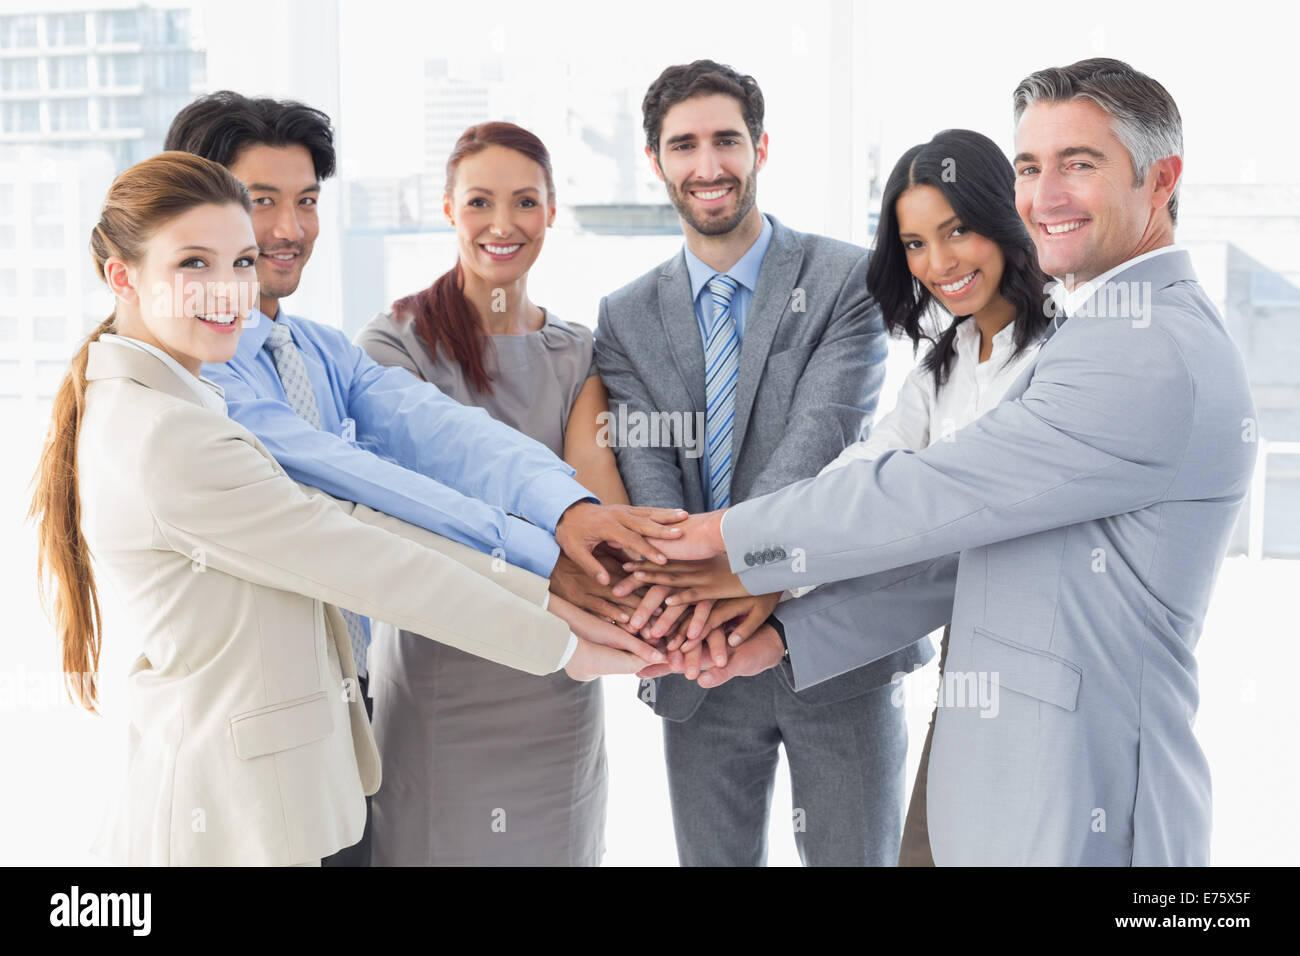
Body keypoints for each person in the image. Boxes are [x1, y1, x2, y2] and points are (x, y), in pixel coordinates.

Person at [631, 58, 1257, 866]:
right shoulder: (1093, 336)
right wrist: (784, 636)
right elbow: (970, 553)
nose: (1047, 195)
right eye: (1031, 166)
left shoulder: (1143, 349)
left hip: (1081, 790)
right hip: (1010, 778)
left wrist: (725, 541)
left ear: (1161, 178)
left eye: (1080, 164)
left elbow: (926, 496)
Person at [27, 152, 650, 867]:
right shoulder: (172, 436)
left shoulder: (181, 400)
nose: (228, 291)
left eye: (239, 264)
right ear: (122, 277)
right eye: (193, 264)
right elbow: (370, 562)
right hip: (229, 820)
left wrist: (553, 586)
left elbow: (388, 498)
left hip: (286, 793)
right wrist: (563, 641)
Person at [164, 93, 679, 864]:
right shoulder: (203, 377)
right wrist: (543, 556)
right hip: (257, 745)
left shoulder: (316, 347)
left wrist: (566, 508)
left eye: (305, 202)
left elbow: (442, 431)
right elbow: (358, 484)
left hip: (347, 715)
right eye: (259, 201)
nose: (288, 229)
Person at [595, 59, 933, 867]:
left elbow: (822, 437)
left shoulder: (847, 277)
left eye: (726, 140)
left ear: (761, 147)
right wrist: (697, 604)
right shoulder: (626, 315)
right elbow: (649, 482)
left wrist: (747, 581)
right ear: (657, 162)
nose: (707, 166)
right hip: (698, 660)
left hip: (830, 640)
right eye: (684, 145)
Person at [354, 122, 636, 866]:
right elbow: (418, 510)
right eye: (480, 201)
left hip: (557, 678)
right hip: (442, 671)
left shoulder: (577, 354)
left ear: (551, 212)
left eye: (524, 202)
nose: (502, 224)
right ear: (448, 208)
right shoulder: (394, 346)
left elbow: (595, 504)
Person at [813, 128, 1053, 864]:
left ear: (1002, 217)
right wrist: (754, 556)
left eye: (958, 231)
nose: (938, 263)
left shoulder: (1062, 354)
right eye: (915, 243)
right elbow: (866, 469)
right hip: (968, 660)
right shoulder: (944, 363)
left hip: (1045, 668)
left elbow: (932, 499)